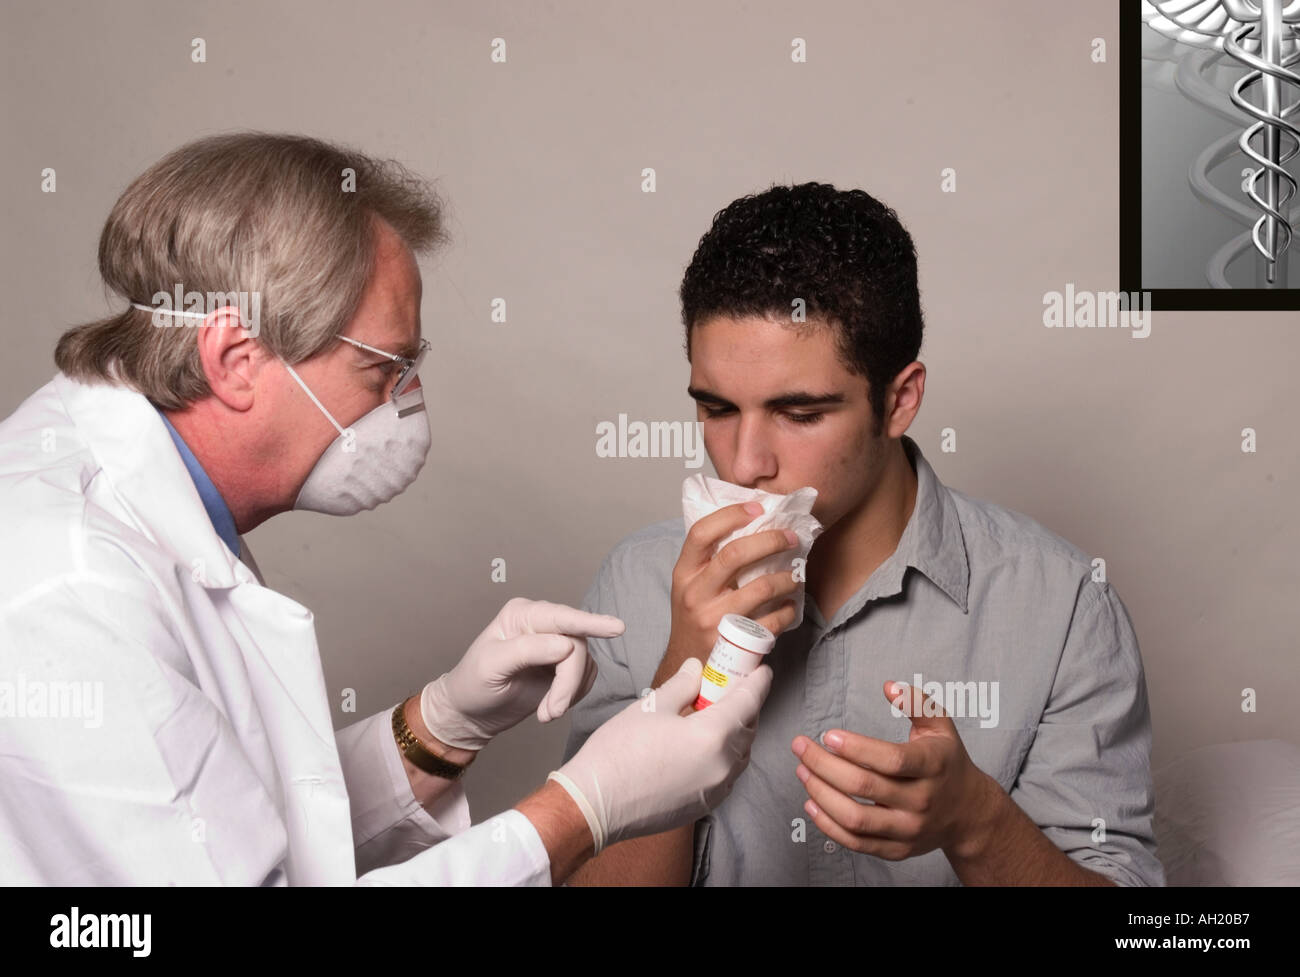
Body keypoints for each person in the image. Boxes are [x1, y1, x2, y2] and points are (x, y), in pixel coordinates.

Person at [0, 132, 771, 885]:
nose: (407, 406)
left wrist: (440, 724)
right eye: (382, 369)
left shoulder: (149, 501)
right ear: (236, 363)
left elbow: (245, 824)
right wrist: (579, 811)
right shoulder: (71, 586)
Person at [563, 182, 1165, 886]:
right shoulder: (636, 586)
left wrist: (977, 822)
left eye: (800, 412)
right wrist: (684, 677)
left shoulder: (1062, 605)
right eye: (718, 408)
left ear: (899, 400)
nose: (745, 461)